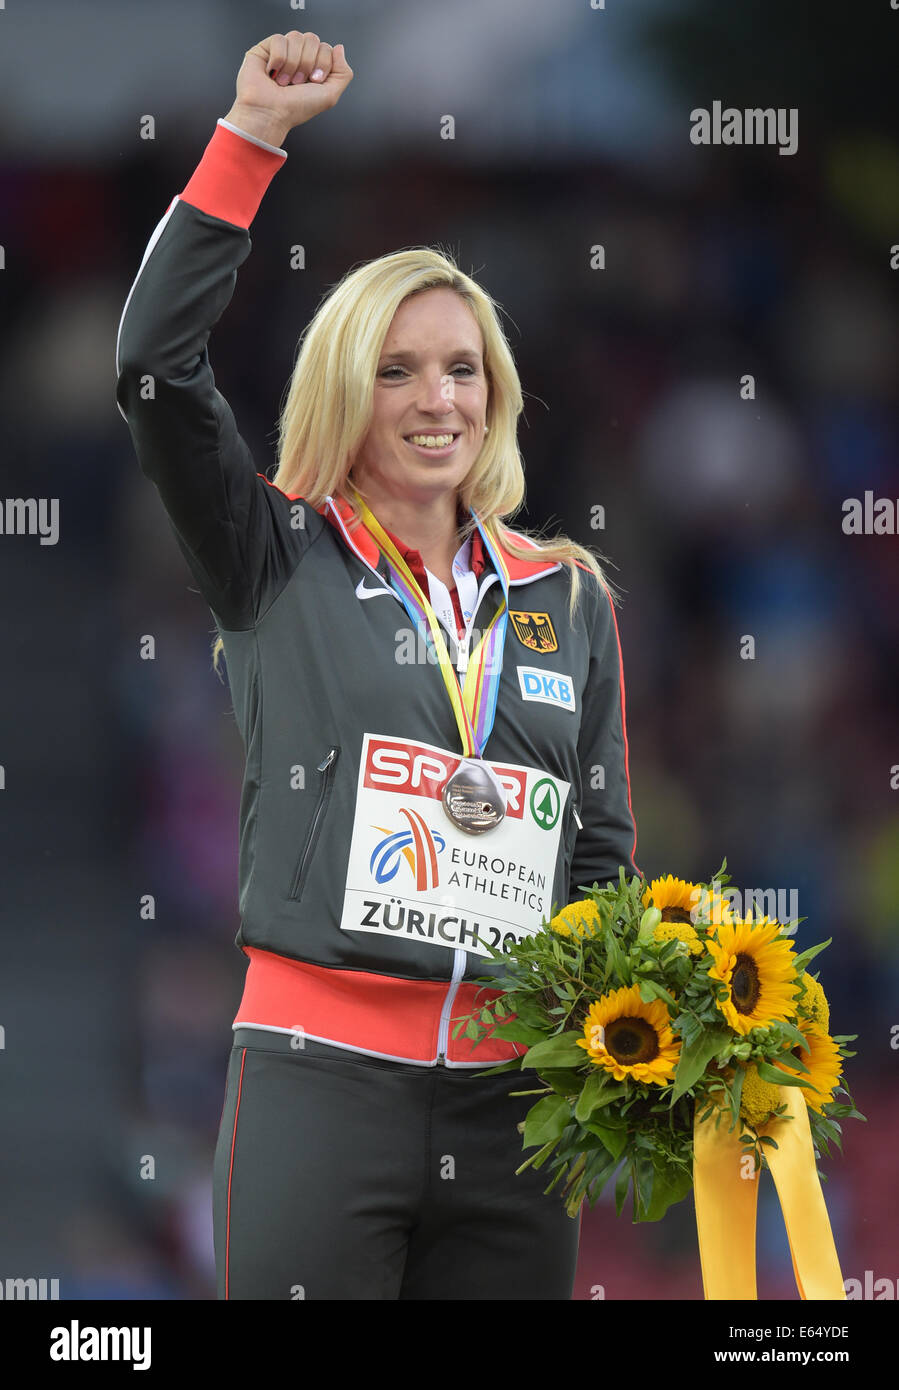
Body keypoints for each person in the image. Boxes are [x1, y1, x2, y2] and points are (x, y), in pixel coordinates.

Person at [115, 30, 640, 1300]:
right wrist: (250, 139)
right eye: (398, 370)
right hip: (316, 1074)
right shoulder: (274, 554)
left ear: (496, 395)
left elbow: (598, 859)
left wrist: (644, 1038)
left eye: (461, 369)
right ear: (348, 389)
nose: (435, 399)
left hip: (517, 1105)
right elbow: (151, 368)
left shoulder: (563, 595)